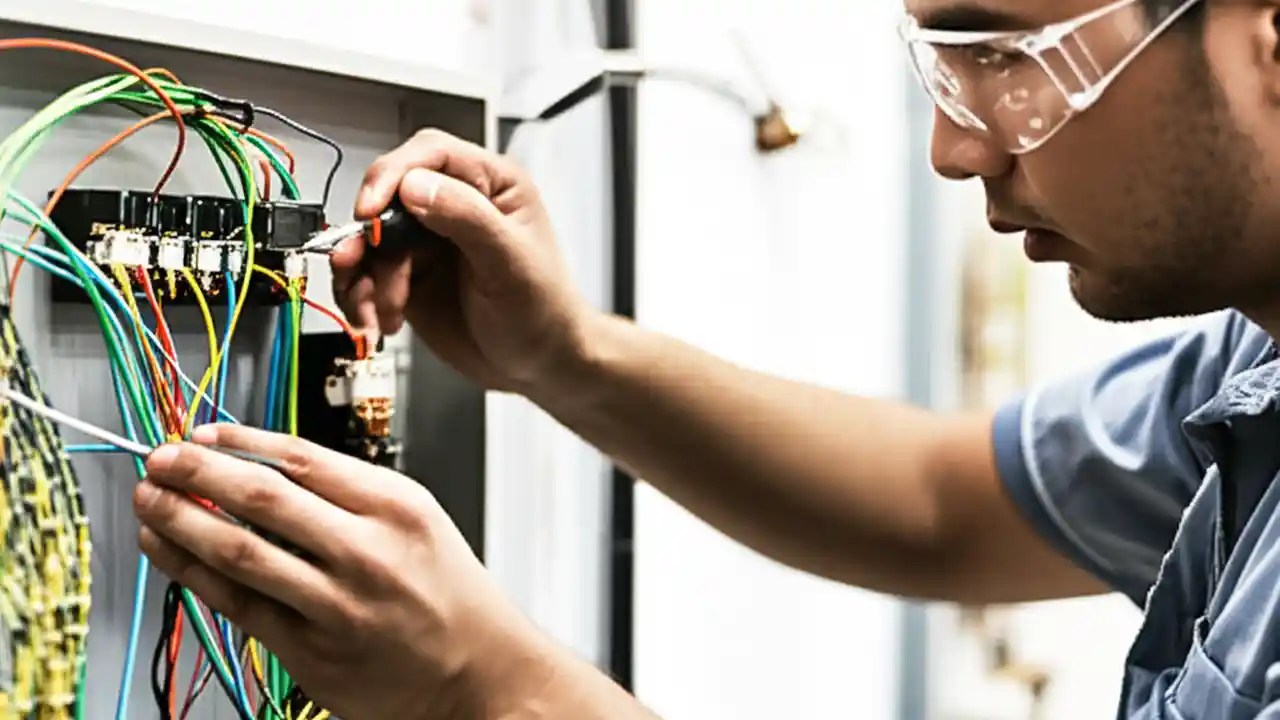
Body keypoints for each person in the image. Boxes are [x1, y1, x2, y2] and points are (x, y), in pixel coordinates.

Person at [131, 0, 1280, 716]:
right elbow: (939, 503)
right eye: (940, 68)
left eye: (1006, 56)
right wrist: (565, 354)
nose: (949, 145)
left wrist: (477, 689)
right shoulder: (1248, 355)